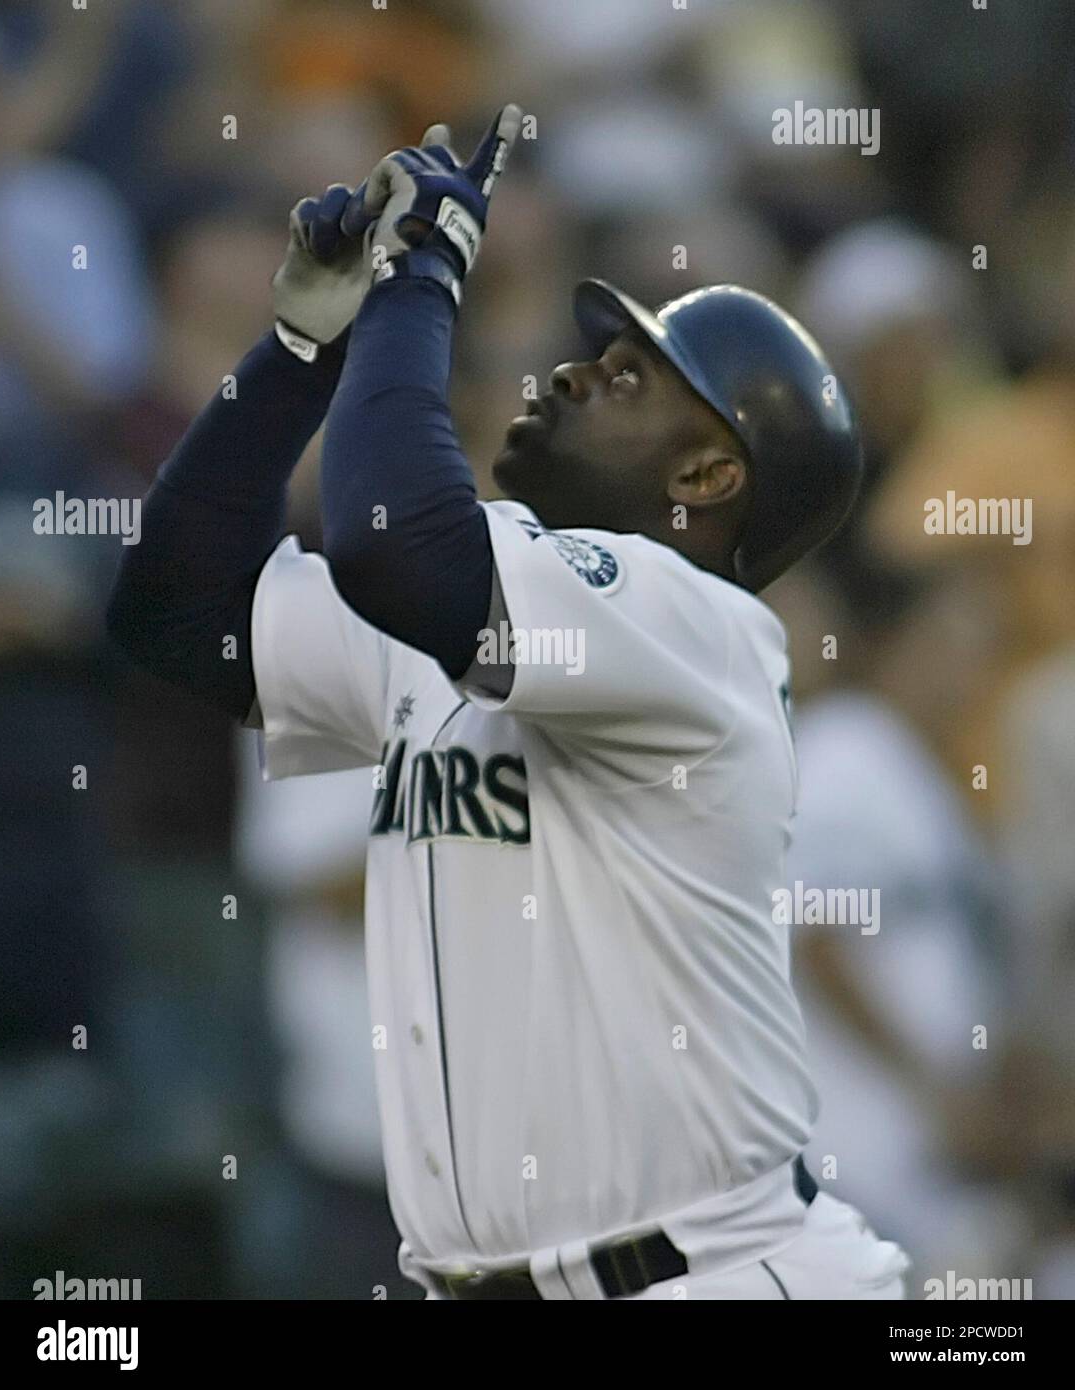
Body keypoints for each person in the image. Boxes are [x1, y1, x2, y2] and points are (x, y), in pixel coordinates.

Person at [107, 107, 909, 1299]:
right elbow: (173, 609)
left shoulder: (696, 626)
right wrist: (296, 349)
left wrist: (420, 276)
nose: (577, 370)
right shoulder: (490, 606)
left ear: (705, 475)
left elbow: (392, 542)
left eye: (631, 374)